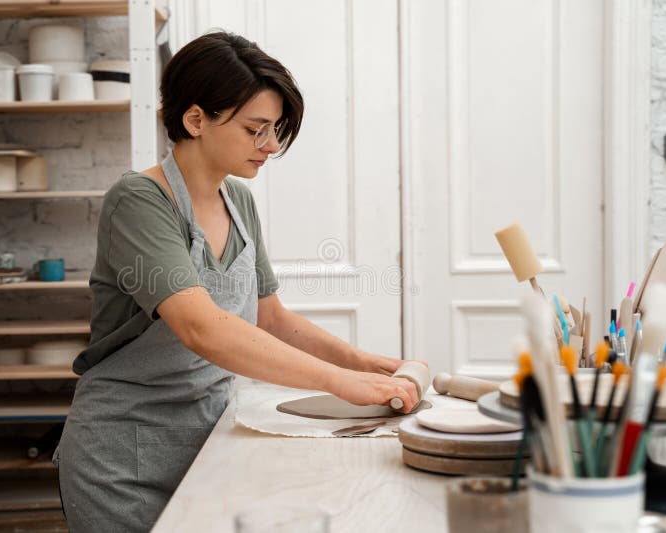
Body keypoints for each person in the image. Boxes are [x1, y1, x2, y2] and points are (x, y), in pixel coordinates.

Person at [54, 31, 423, 532]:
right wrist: (343, 383)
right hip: (124, 459)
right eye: (256, 129)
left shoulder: (239, 202)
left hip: (209, 438)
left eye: (274, 130)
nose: (270, 146)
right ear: (196, 119)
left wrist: (368, 363)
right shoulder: (139, 202)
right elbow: (202, 328)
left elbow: (269, 316)